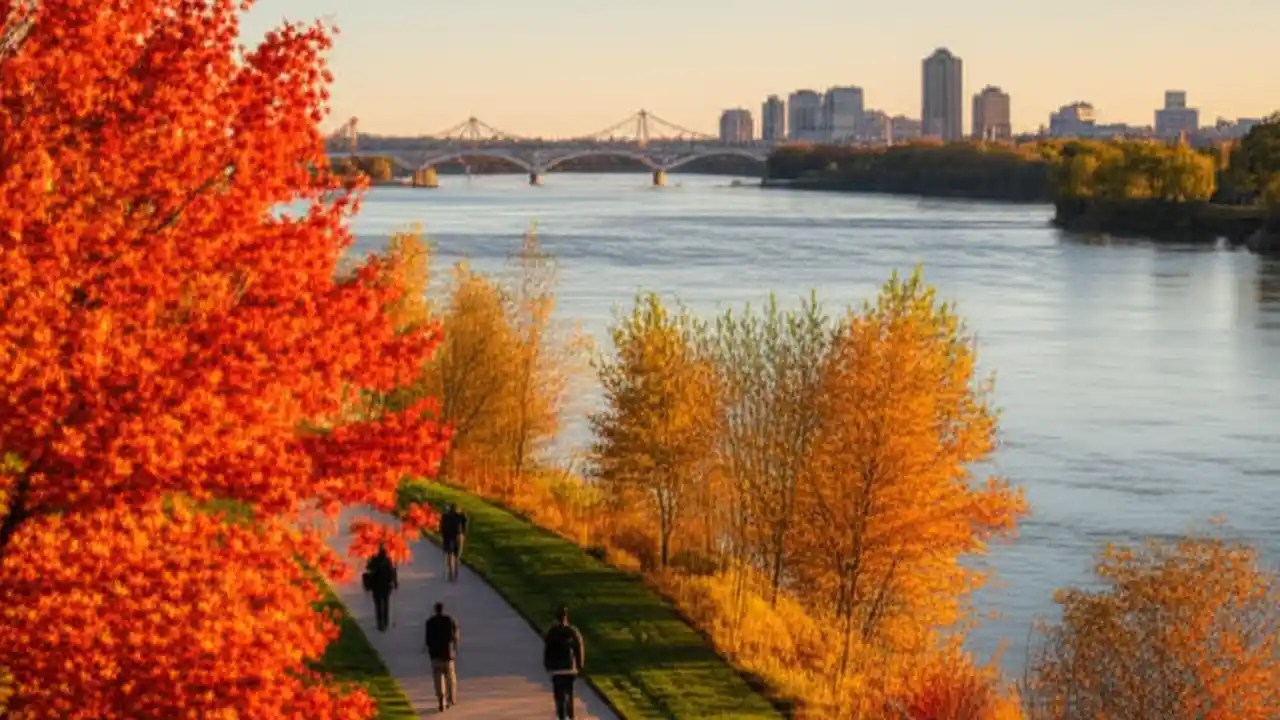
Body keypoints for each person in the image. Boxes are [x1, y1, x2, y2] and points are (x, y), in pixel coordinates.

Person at [542, 606, 585, 720]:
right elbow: (579, 647)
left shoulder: (552, 632)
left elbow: (548, 649)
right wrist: (580, 665)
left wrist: (547, 664)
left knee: (558, 694)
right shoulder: (572, 631)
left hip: (556, 669)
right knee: (569, 692)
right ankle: (571, 716)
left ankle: (561, 716)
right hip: (570, 668)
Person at [424, 601, 460, 713]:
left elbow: (428, 639)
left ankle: (441, 698)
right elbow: (455, 636)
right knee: (450, 677)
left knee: (437, 678)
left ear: (435, 610)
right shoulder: (450, 621)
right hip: (448, 654)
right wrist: (454, 647)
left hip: (435, 655)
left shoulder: (430, 622)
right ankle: (451, 698)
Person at [364, 546, 398, 632]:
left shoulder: (374, 559)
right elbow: (392, 572)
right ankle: (385, 622)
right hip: (386, 586)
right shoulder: (388, 561)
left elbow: (368, 568)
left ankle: (380, 623)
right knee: (386, 604)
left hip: (376, 586)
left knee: (378, 605)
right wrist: (394, 582)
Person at [439, 503, 468, 583]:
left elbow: (441, 528)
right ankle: (455, 571)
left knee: (450, 554)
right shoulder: (460, 516)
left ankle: (451, 573)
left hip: (449, 536)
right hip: (458, 536)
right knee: (457, 555)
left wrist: (443, 536)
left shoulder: (445, 516)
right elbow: (465, 524)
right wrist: (464, 533)